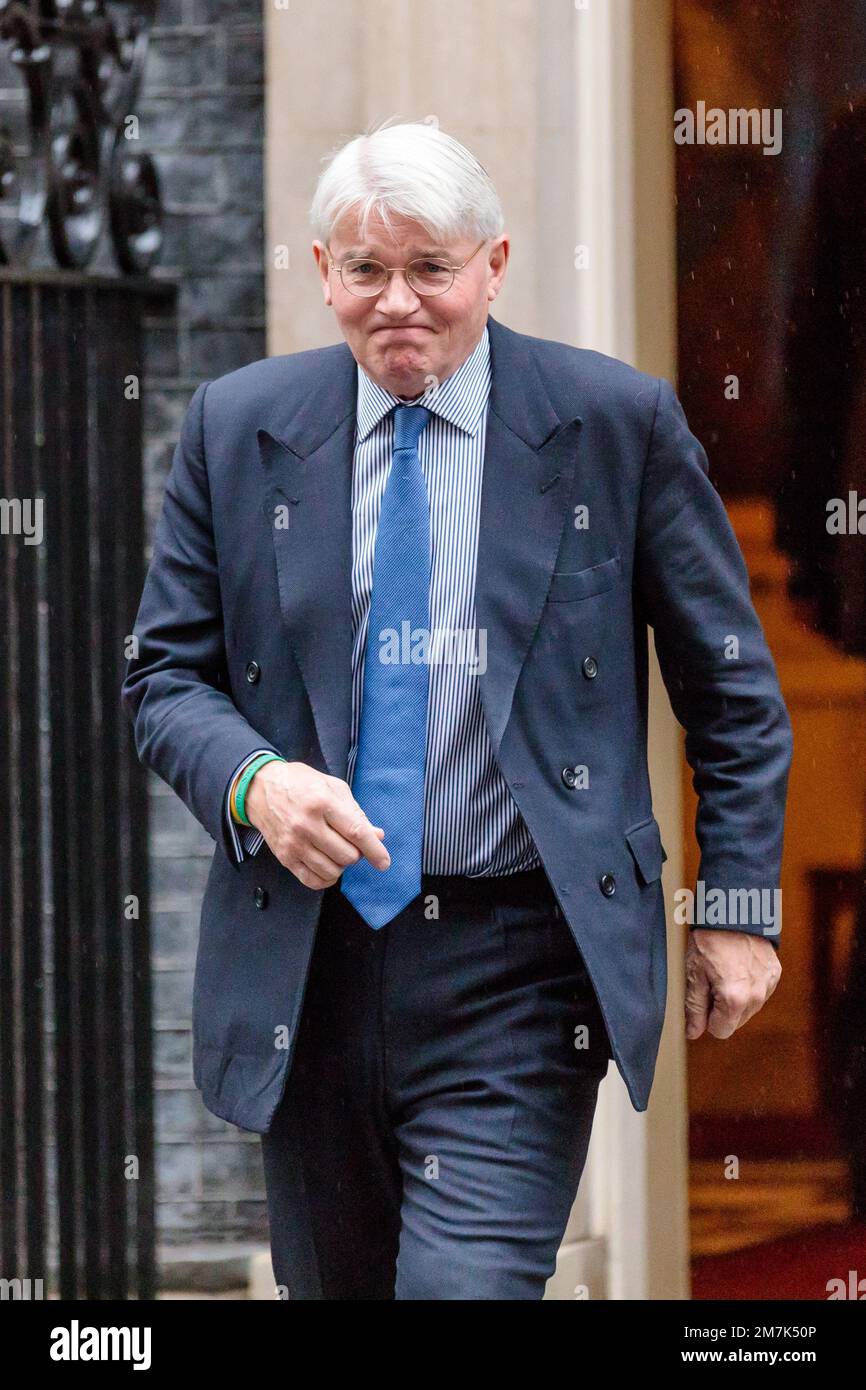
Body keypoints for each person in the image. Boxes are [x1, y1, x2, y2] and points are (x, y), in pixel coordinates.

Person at [122, 118, 792, 1300]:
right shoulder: (237, 428)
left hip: (518, 968)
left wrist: (736, 905)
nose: (399, 303)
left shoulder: (611, 425)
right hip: (307, 966)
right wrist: (254, 781)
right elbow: (162, 677)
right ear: (322, 273)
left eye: (430, 269)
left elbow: (730, 687)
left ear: (493, 262)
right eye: (366, 271)